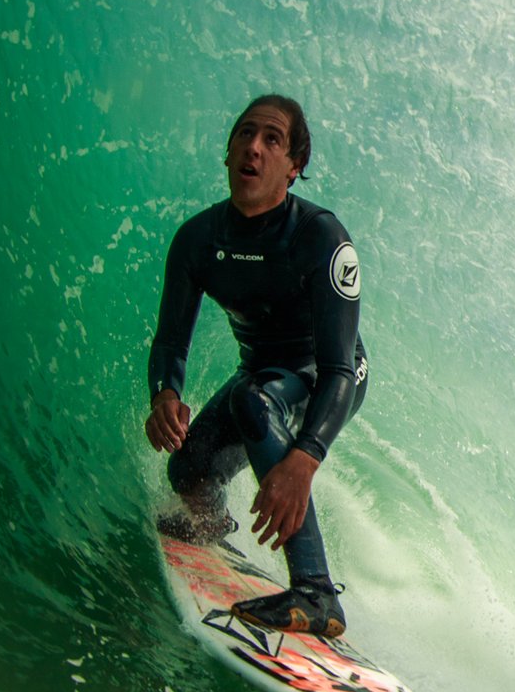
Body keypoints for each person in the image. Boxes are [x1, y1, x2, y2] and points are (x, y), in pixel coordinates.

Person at [145, 94, 368, 639]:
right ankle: (211, 524)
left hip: (330, 375)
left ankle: (316, 592)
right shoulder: (199, 240)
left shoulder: (321, 237)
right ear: (227, 154)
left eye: (273, 140)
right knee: (187, 469)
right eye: (245, 134)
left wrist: (304, 458)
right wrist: (165, 396)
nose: (254, 147)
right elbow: (171, 340)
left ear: (294, 169)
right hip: (263, 376)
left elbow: (340, 368)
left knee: (255, 401)